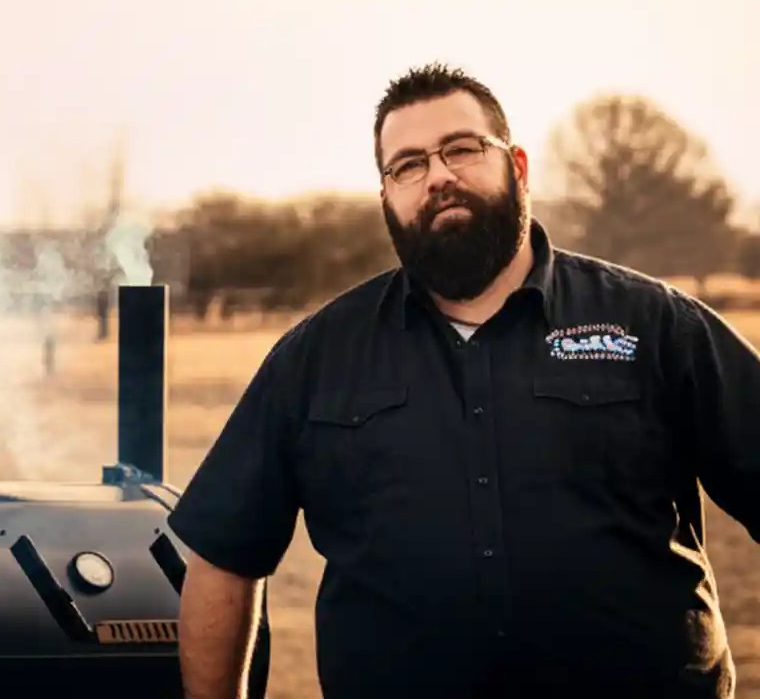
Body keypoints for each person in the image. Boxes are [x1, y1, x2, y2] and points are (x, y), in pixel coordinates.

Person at [166, 62, 760, 699]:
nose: (439, 176)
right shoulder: (315, 359)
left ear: (519, 167)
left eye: (462, 149)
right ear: (387, 197)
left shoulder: (655, 325)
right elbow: (224, 558)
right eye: (408, 164)